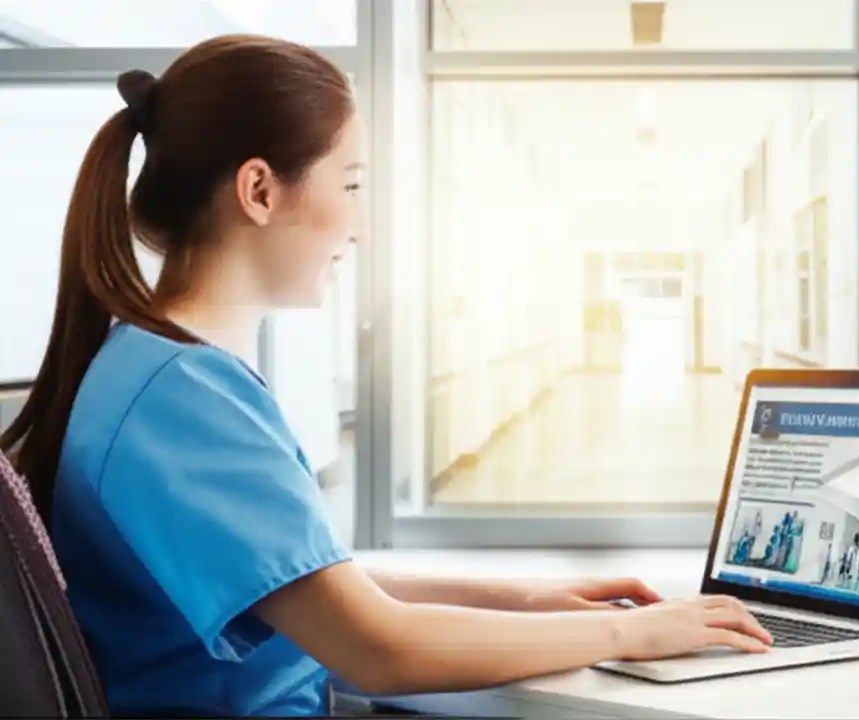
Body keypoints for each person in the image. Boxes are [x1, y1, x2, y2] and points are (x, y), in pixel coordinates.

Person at [0, 35, 771, 718]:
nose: (362, 225)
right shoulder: (183, 398)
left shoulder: (156, 367)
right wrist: (631, 635)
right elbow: (376, 648)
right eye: (352, 185)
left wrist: (527, 598)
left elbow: (322, 589)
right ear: (260, 191)